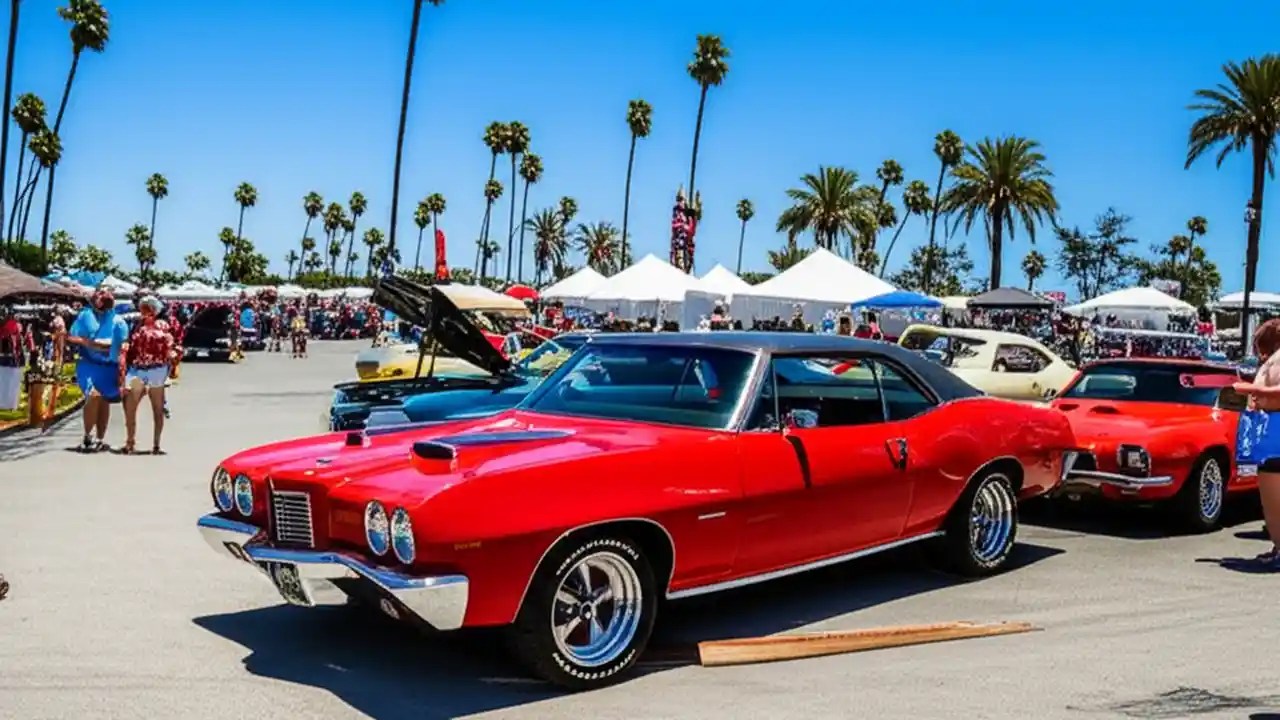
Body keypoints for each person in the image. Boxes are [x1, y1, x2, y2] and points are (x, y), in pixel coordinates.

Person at [1232, 318, 1280, 570]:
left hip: (1276, 428)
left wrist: (1246, 389)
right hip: (1270, 426)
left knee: (1274, 495)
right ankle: (1277, 548)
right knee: (1271, 493)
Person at [67, 287, 128, 452]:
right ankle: (87, 436)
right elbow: (71, 336)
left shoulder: (118, 320)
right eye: (100, 294)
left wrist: (102, 345)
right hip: (89, 364)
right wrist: (86, 343)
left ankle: (100, 438)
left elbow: (122, 345)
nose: (103, 297)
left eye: (106, 295)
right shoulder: (85, 316)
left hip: (110, 367)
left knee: (104, 400)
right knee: (93, 395)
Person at [119, 296, 175, 455]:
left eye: (148, 309)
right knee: (130, 406)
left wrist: (170, 357)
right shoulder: (135, 326)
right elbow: (128, 345)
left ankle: (156, 444)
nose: (145, 312)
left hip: (157, 369)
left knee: (157, 408)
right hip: (138, 368)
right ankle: (130, 441)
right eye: (143, 308)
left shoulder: (163, 326)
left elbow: (172, 346)